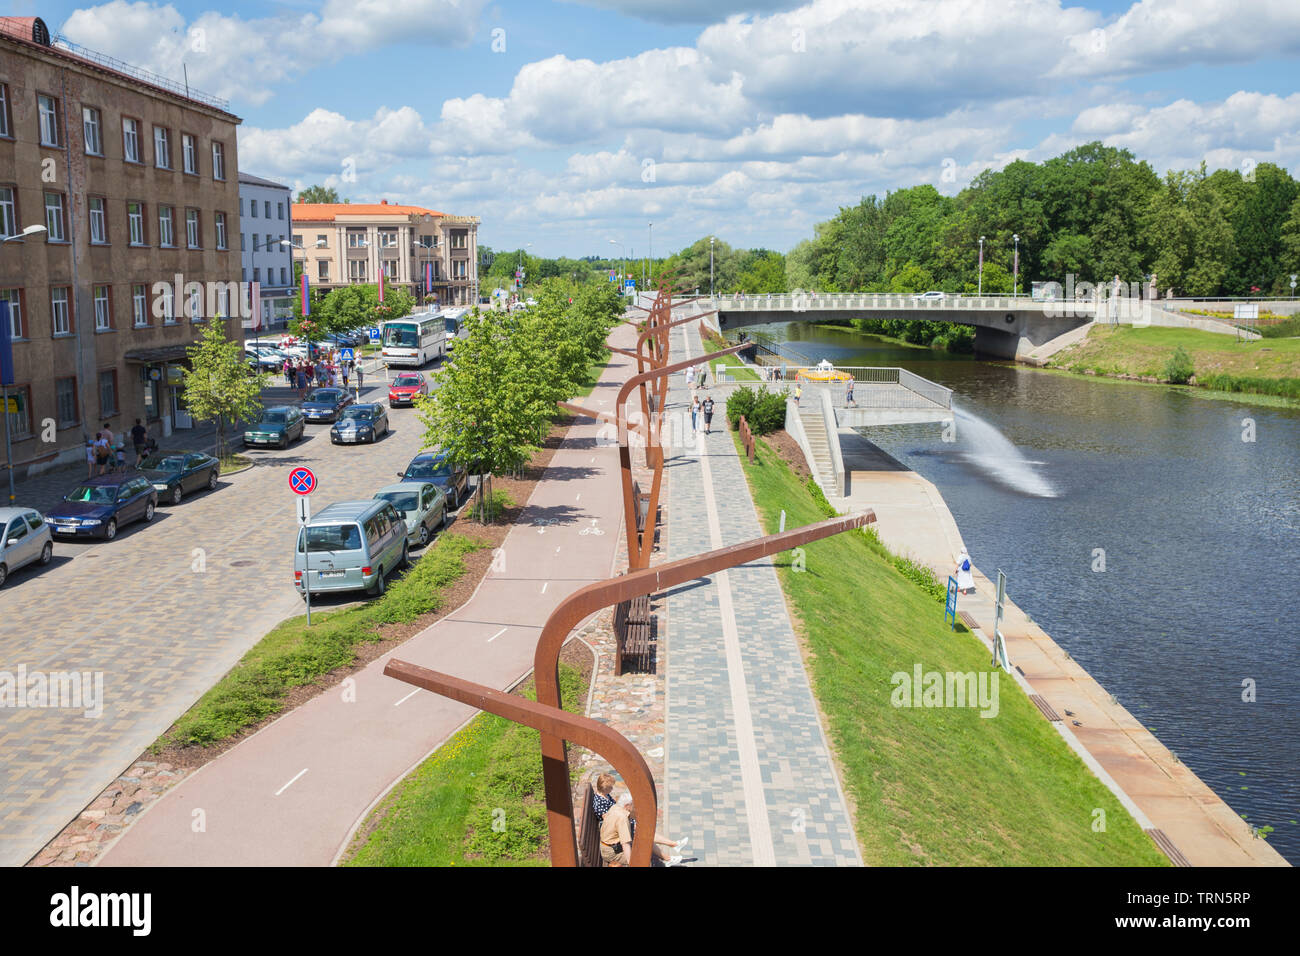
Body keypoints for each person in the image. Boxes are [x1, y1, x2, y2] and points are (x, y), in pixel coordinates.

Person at [598, 792, 685, 867]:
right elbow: (626, 844)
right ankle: (669, 854)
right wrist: (633, 863)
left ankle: (669, 855)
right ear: (627, 806)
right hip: (613, 853)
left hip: (611, 846)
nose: (636, 808)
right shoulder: (622, 818)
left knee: (645, 840)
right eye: (634, 806)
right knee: (645, 859)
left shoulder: (616, 807)